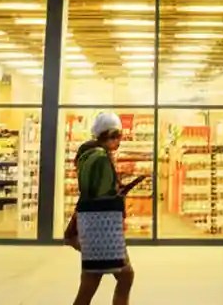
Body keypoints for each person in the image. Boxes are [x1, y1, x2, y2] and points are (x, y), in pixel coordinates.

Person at [71, 112, 135, 305]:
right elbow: (99, 195)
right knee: (124, 276)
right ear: (109, 135)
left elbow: (89, 193)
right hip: (104, 229)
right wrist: (118, 192)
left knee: (90, 282)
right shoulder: (100, 158)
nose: (119, 142)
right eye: (118, 137)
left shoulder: (87, 154)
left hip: (94, 228)